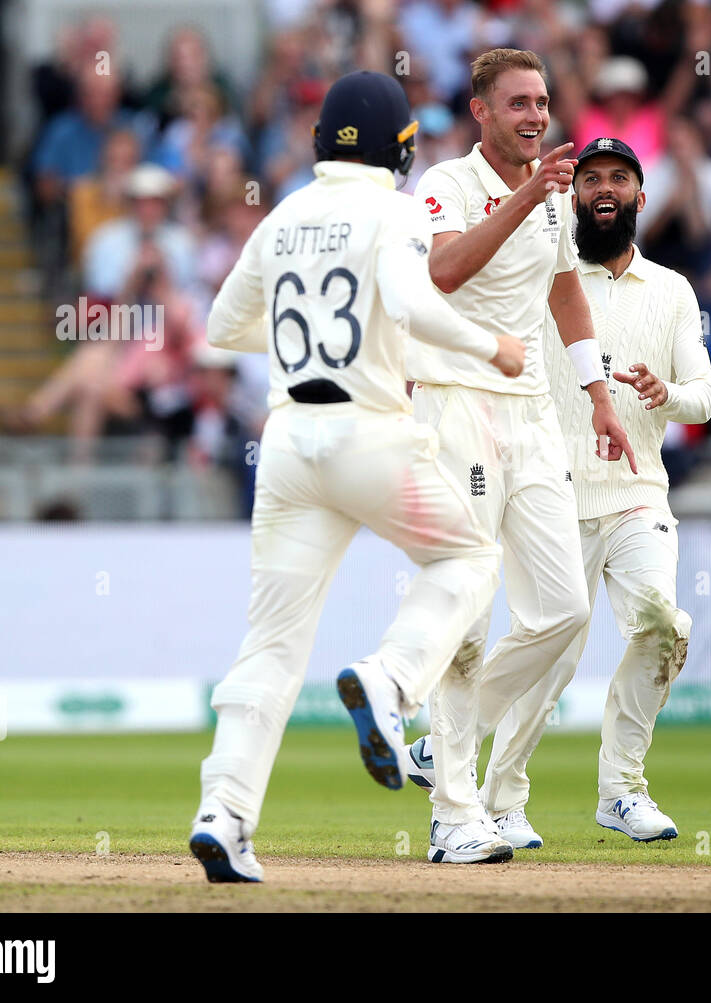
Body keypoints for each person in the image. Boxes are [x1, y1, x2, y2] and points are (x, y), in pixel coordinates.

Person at [187, 70, 526, 881]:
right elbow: (412, 300)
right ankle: (390, 679)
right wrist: (492, 346)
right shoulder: (397, 210)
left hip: (288, 445)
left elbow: (222, 325)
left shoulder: (284, 216)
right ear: (401, 149)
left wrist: (314, 342)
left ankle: (224, 813)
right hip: (367, 437)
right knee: (470, 560)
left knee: (267, 646)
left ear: (319, 145)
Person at [406, 139, 711, 844]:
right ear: (573, 196)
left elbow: (705, 395)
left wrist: (666, 394)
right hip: (555, 487)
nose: (604, 189)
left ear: (641, 195)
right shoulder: (542, 267)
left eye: (620, 178)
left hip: (639, 489)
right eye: (591, 179)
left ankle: (622, 789)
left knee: (663, 625)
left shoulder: (671, 289)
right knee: (550, 657)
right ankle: (503, 799)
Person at [406, 48, 637, 860]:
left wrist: (600, 395)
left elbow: (564, 290)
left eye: (541, 101)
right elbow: (444, 270)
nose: (535, 115)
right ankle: (452, 817)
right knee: (467, 613)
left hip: (534, 412)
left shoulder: (551, 191)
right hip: (457, 406)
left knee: (564, 610)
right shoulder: (444, 182)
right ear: (481, 110)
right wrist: (529, 196)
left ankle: (443, 742)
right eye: (517, 104)